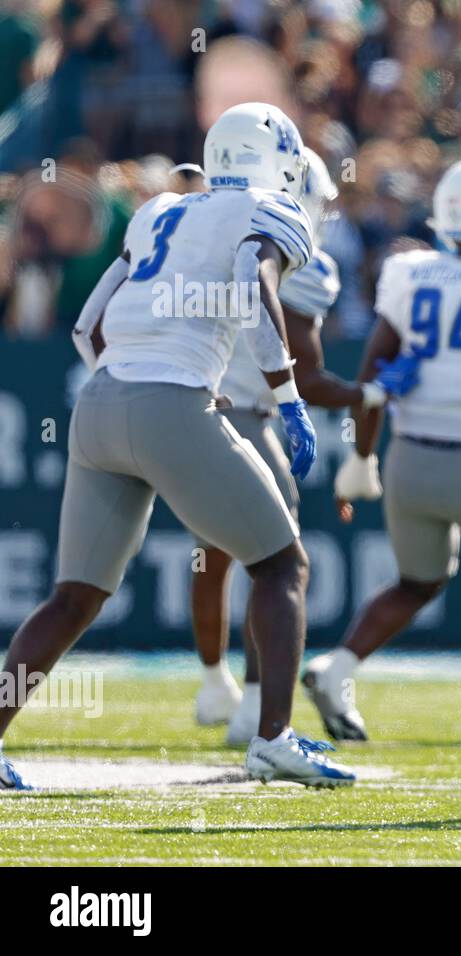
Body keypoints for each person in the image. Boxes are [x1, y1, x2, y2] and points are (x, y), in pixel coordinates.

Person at [0, 103, 353, 790]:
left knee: (73, 597)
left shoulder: (160, 209)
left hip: (98, 405)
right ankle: (273, 738)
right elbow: (255, 286)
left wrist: (132, 377)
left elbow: (88, 323)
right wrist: (287, 400)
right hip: (171, 402)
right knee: (282, 565)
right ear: (282, 158)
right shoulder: (273, 211)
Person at [304, 157, 461, 745]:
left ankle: (337, 666)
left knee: (417, 581)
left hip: (409, 457)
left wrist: (361, 458)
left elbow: (374, 370)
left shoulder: (411, 271)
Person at [188, 147, 418, 745]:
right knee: (276, 566)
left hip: (188, 413)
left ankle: (218, 685)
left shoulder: (196, 234)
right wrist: (367, 395)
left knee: (211, 558)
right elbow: (308, 377)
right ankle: (259, 712)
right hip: (251, 418)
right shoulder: (300, 259)